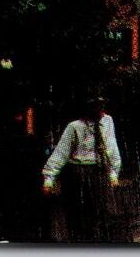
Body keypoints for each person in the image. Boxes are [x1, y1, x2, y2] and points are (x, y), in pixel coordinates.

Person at [41, 95, 121, 242]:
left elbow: (111, 146)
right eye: (96, 107)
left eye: (102, 106)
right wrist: (49, 178)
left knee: (106, 214)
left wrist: (113, 172)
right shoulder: (75, 126)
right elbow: (61, 152)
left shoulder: (107, 121)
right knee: (82, 216)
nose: (100, 111)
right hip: (80, 173)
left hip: (100, 171)